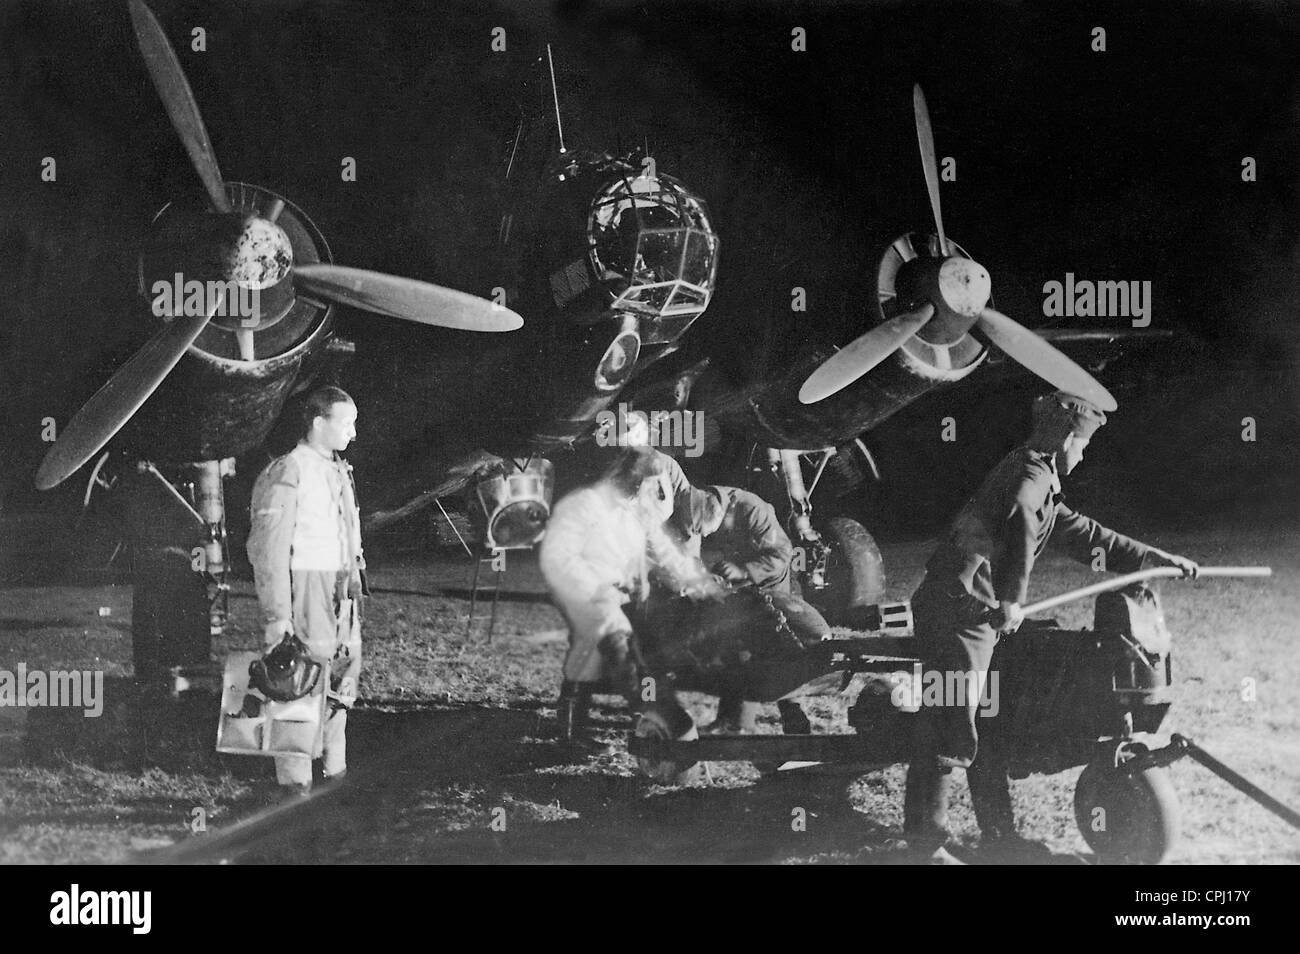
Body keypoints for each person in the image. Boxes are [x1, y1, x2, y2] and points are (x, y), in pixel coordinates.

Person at [903, 391, 1197, 861]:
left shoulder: (1039, 477)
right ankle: (925, 847)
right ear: (1064, 438)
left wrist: (1157, 560)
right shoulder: (1029, 477)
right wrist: (1011, 600)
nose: (1081, 455)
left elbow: (1086, 535)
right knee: (952, 721)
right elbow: (1020, 513)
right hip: (956, 612)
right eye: (1081, 444)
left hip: (978, 612)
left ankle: (999, 838)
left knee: (989, 724)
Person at [539, 448, 717, 745]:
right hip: (586, 592)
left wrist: (697, 580)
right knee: (608, 643)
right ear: (634, 479)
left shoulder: (636, 511)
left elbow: (663, 548)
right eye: (649, 483)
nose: (654, 491)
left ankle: (633, 715)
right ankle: (576, 731)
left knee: (615, 653)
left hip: (618, 593)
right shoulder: (587, 505)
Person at [246, 386, 366, 797]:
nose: (353, 433)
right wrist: (277, 616)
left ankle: (335, 773)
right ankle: (294, 785)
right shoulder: (289, 470)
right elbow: (269, 548)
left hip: (340, 587)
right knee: (296, 678)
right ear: (319, 423)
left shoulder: (336, 469)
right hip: (306, 585)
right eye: (346, 423)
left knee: (340, 676)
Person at [682, 485, 831, 733]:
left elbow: (782, 554)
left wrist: (744, 570)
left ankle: (795, 724)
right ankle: (733, 721)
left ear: (718, 513)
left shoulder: (752, 509)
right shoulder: (700, 506)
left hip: (773, 586)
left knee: (781, 654)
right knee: (736, 650)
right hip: (742, 592)